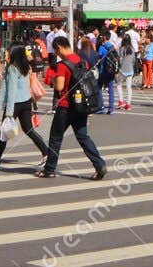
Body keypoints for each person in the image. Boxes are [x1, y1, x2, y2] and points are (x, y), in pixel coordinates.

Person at [38, 36, 105, 180]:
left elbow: (60, 86)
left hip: (65, 106)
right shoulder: (82, 61)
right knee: (83, 137)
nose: (57, 54)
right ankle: (99, 165)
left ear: (60, 47)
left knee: (55, 138)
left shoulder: (63, 65)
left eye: (56, 51)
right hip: (80, 106)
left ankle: (49, 169)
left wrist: (52, 79)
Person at [0, 45, 51, 168]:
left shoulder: (12, 68)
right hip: (26, 101)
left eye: (8, 53)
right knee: (29, 130)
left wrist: (9, 112)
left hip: (15, 103)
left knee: (4, 131)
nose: (7, 55)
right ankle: (46, 151)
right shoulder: (25, 67)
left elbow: (12, 90)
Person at [115, 30, 136, 112]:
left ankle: (121, 102)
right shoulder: (132, 49)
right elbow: (134, 60)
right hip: (130, 69)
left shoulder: (122, 49)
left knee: (119, 85)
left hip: (122, 70)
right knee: (129, 87)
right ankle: (128, 104)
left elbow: (119, 60)